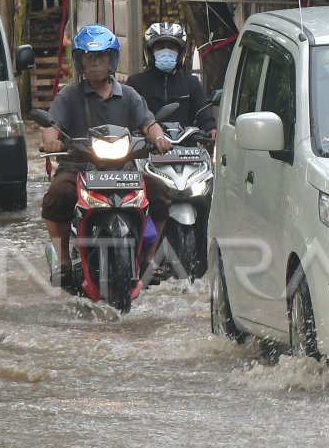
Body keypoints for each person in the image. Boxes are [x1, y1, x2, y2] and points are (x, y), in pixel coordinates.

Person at [40, 24, 172, 291]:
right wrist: (50, 140)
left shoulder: (129, 94)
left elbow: (149, 122)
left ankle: (147, 258)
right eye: (89, 58)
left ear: (112, 60)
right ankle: (64, 262)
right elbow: (51, 123)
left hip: (122, 170)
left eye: (101, 57)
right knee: (56, 194)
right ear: (80, 61)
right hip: (78, 168)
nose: (95, 63)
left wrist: (159, 138)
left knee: (160, 192)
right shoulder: (69, 94)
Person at [125, 22, 218, 142]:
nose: (166, 52)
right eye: (160, 47)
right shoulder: (135, 83)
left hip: (186, 149)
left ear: (181, 53)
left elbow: (203, 113)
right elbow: (126, 117)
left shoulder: (192, 83)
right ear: (149, 52)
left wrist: (210, 128)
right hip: (146, 150)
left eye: (171, 47)